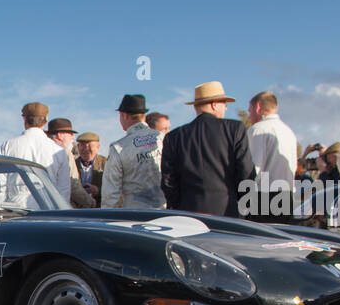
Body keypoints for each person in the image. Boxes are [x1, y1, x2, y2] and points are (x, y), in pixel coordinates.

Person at [160, 81, 255, 217]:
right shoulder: (234, 129)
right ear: (214, 104)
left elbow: (168, 181)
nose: (226, 108)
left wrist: (178, 206)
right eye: (225, 104)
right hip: (228, 213)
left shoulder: (174, 137)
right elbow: (246, 173)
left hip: (187, 214)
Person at [102, 95, 165, 209]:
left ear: (124, 115)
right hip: (164, 212)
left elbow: (110, 193)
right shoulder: (162, 139)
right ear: (143, 116)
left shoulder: (119, 147)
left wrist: (106, 220)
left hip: (134, 215)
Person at [246, 91, 298, 218]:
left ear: (258, 107)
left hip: (264, 198)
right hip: (287, 197)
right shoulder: (289, 131)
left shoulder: (258, 130)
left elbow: (253, 168)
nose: (249, 116)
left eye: (249, 111)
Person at [45, 117, 93, 207]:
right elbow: (73, 185)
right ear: (60, 135)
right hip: (61, 207)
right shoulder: (64, 152)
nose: (73, 137)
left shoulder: (42, 149)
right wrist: (89, 202)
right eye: (70, 134)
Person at [74, 132, 105, 204]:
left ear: (98, 147)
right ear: (78, 147)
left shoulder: (106, 163)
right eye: (83, 146)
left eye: (89, 146)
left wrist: (98, 191)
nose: (86, 149)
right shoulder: (72, 165)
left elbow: (115, 189)